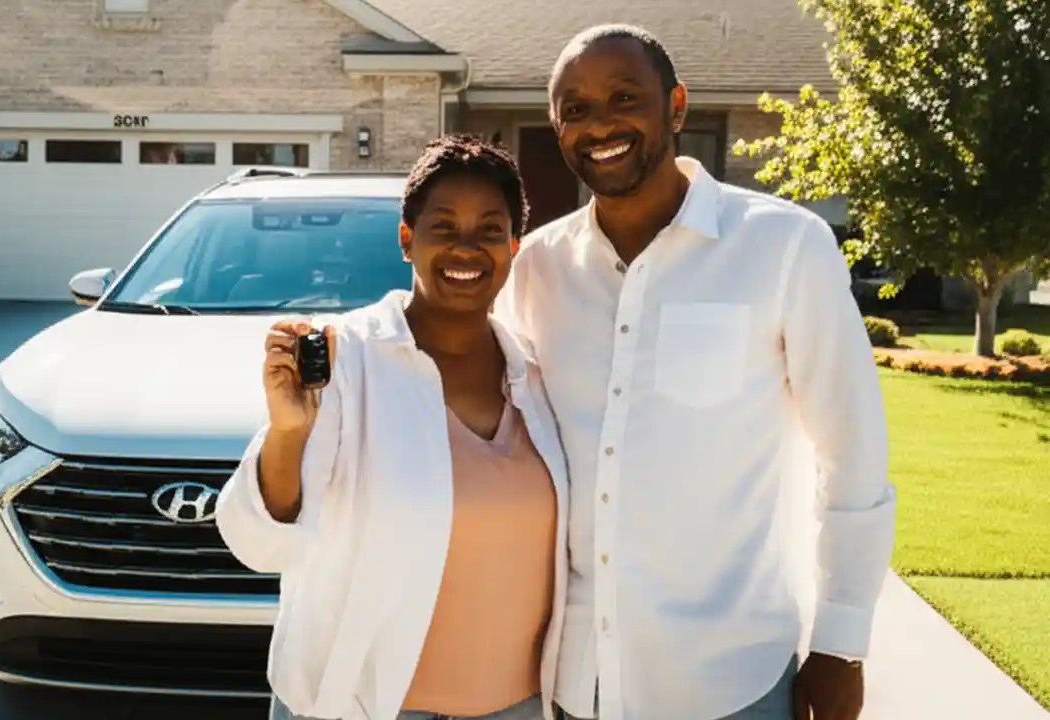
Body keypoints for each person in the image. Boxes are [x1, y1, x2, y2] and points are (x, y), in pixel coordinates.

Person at [492, 24, 897, 720]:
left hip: (731, 681)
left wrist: (841, 643)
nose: (600, 125)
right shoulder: (535, 268)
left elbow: (853, 457)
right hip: (572, 681)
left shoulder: (785, 247)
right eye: (576, 109)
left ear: (675, 106)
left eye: (625, 97)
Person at [216, 135, 571, 720]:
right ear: (407, 239)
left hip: (518, 707)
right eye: (444, 226)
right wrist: (288, 433)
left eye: (489, 230)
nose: (466, 248)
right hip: (362, 705)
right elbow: (258, 545)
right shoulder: (348, 360)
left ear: (513, 246)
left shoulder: (536, 376)